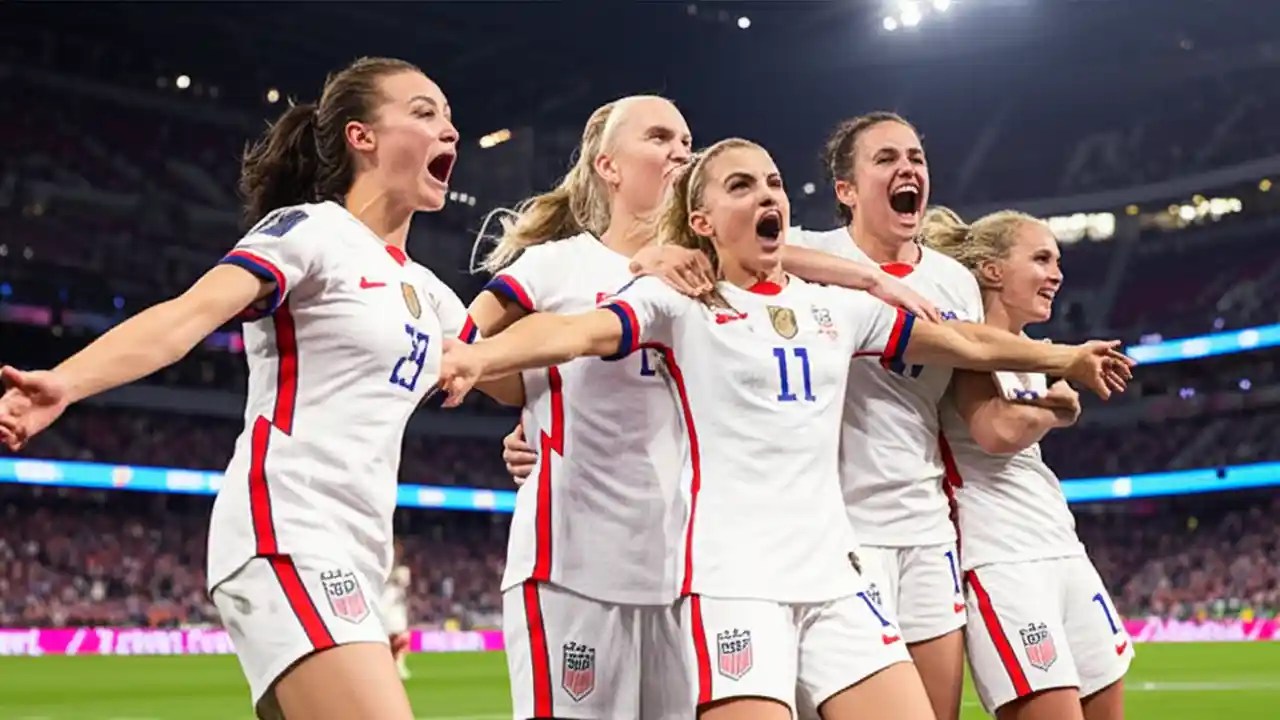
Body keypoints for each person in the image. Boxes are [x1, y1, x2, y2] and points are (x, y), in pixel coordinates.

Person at [439, 138, 1132, 720]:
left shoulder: (835, 309)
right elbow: (574, 332)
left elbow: (969, 346)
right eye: (741, 185)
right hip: (734, 582)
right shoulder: (678, 305)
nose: (767, 194)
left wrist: (1062, 356)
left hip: (836, 578)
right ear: (703, 221)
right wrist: (478, 354)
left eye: (773, 182)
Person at [0, 57, 507, 720]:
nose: (450, 130)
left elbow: (516, 377)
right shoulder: (309, 230)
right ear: (362, 137)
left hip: (359, 549)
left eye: (448, 116)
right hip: (288, 527)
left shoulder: (430, 292)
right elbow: (188, 316)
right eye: (423, 112)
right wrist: (65, 381)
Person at [470, 96, 940, 720]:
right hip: (577, 560)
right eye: (659, 138)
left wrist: (869, 279)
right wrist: (530, 406)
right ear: (607, 166)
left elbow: (788, 258)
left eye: (687, 140)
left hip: (684, 565)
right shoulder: (562, 264)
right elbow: (467, 343)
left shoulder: (714, 277)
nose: (679, 150)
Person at [785, 111, 985, 720]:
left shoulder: (953, 282)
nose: (908, 168)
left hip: (926, 531)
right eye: (886, 158)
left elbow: (974, 412)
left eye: (916, 157)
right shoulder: (808, 255)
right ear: (845, 190)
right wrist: (871, 279)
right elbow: (714, 254)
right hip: (837, 533)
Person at [922, 207, 1133, 720]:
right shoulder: (966, 343)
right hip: (1001, 560)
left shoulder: (1034, 352)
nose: (1056, 274)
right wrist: (1057, 408)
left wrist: (1050, 397)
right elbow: (997, 432)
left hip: (1061, 545)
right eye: (1041, 258)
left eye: (1057, 260)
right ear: (993, 270)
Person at [382, 540, 413, 680]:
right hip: (384, 605)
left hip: (396, 608)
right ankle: (388, 667)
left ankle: (399, 666)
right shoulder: (380, 566)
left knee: (401, 637)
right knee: (387, 639)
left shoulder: (402, 570)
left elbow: (403, 581)